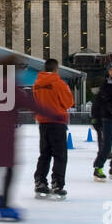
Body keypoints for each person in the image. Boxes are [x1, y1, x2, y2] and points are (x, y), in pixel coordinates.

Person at [0, 55, 62, 220]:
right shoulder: (9, 85)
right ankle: (4, 205)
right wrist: (56, 115)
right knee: (9, 168)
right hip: (4, 133)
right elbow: (31, 104)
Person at [32, 58, 74, 198]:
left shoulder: (37, 84)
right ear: (56, 69)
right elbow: (68, 102)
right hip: (57, 121)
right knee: (60, 154)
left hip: (43, 122)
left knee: (45, 153)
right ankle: (57, 183)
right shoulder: (59, 83)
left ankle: (40, 181)